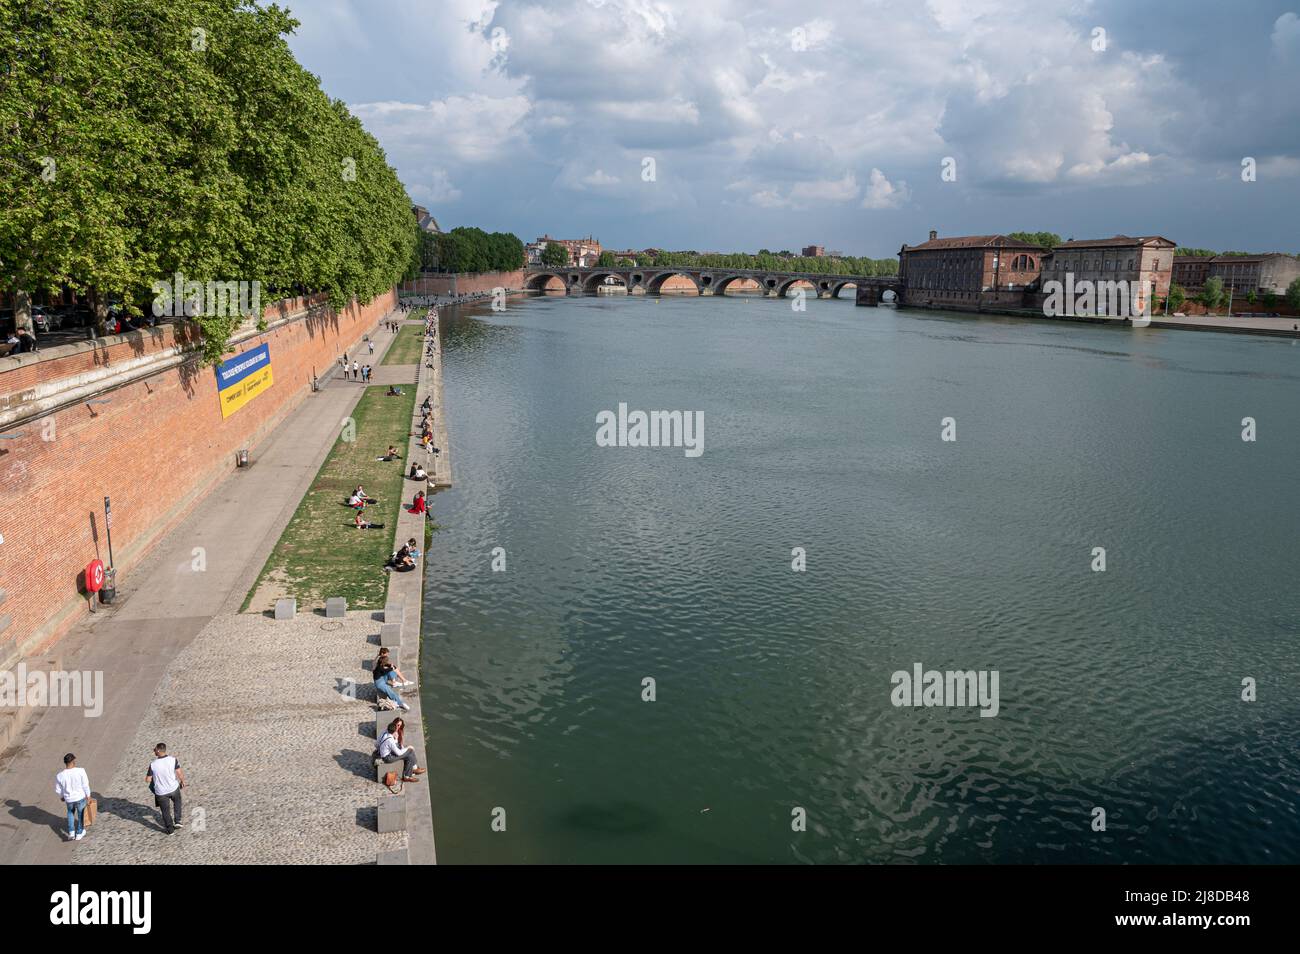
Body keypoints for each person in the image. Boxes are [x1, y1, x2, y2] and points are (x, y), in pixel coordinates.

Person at [146, 742, 186, 835]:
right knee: (177, 802)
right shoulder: (173, 760)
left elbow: (148, 780)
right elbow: (179, 772)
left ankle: (170, 830)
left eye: (155, 749)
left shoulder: (153, 764)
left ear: (159, 751)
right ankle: (177, 821)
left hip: (161, 792)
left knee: (165, 811)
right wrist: (182, 781)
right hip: (173, 788)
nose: (154, 751)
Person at [55, 753, 92, 842]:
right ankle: (79, 833)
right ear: (72, 761)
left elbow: (58, 789)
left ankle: (71, 832)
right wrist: (88, 795)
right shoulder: (81, 771)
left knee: (70, 813)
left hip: (69, 799)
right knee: (80, 815)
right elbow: (85, 785)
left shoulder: (60, 775)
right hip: (80, 797)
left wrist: (62, 796)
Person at [375, 718, 425, 784]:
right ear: (395, 728)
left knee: (409, 754)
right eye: (397, 726)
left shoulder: (384, 732)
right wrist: (408, 747)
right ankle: (410, 773)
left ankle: (412, 770)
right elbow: (398, 753)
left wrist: (381, 750)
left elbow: (376, 744)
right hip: (388, 758)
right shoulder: (390, 740)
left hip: (386, 754)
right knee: (410, 751)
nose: (398, 727)